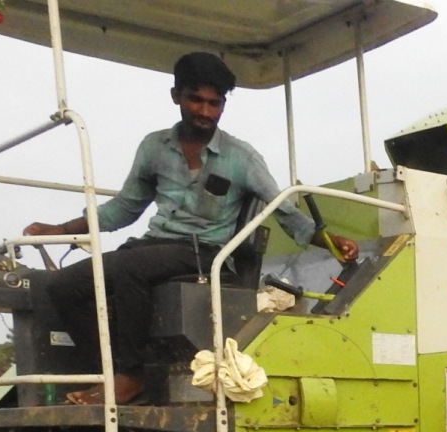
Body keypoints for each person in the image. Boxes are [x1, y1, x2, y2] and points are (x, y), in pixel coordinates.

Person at [24, 51, 358, 405]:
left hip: (204, 251)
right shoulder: (154, 147)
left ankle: (131, 376)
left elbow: (284, 209)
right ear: (176, 96)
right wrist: (59, 228)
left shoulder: (241, 157)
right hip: (153, 245)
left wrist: (329, 241)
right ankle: (109, 373)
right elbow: (124, 208)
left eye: (215, 103)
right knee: (63, 286)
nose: (204, 111)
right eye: (196, 100)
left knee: (129, 271)